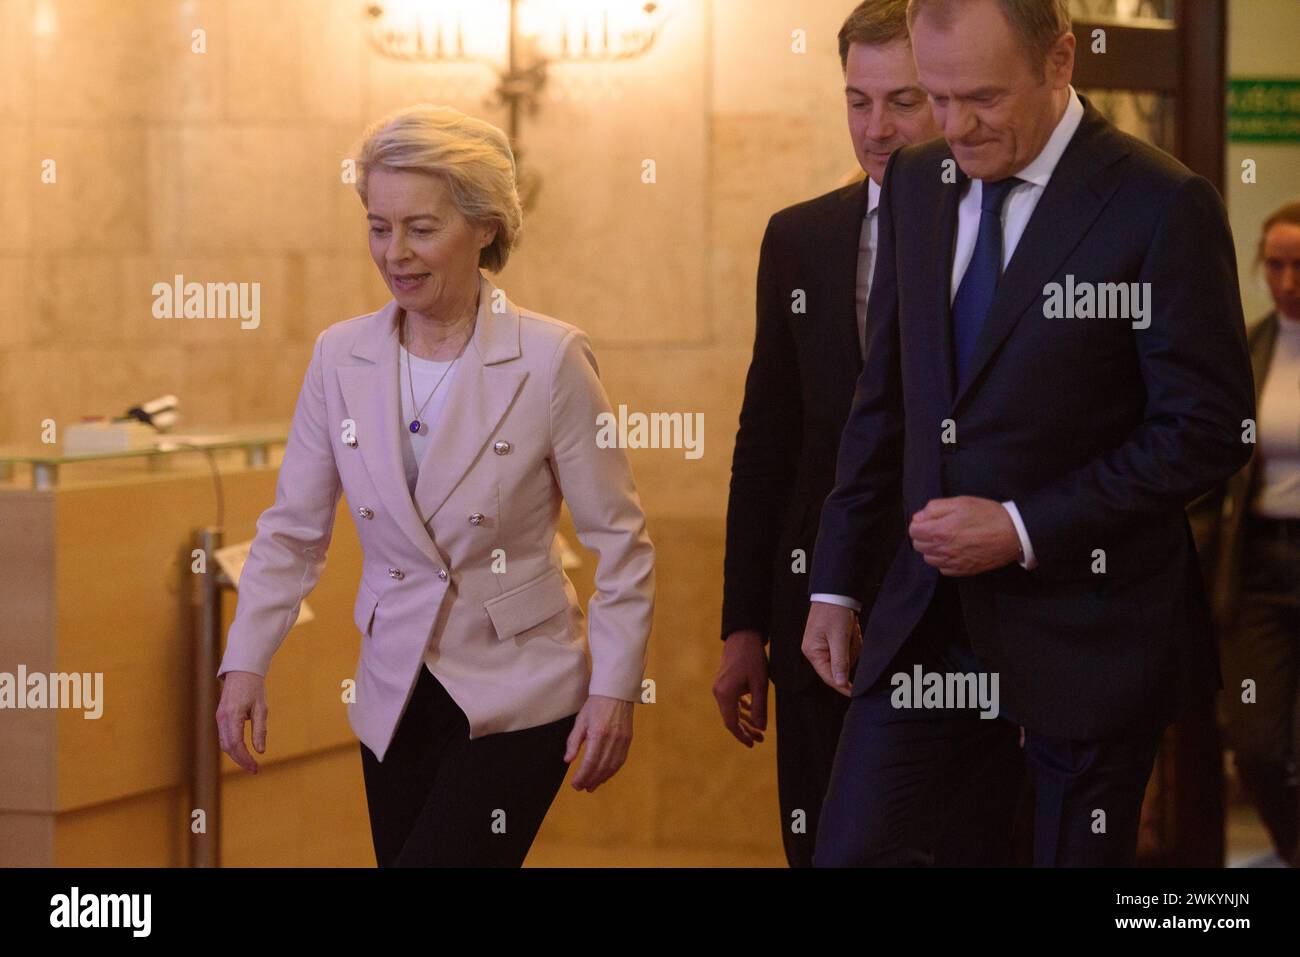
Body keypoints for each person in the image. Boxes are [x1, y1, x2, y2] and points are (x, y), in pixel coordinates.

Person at [802, 0, 1255, 867]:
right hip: (924, 622)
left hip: (1090, 634)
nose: (954, 126)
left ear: (1059, 61)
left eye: (982, 97)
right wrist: (835, 582)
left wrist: (1020, 526)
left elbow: (1207, 429)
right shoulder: (918, 184)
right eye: (935, 97)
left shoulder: (1162, 204)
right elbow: (885, 399)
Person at [214, 105, 656, 867]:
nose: (395, 254)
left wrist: (614, 688)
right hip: (393, 690)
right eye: (378, 227)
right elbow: (292, 529)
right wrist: (245, 659)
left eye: (420, 228)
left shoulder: (550, 359)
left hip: (522, 688)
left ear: (485, 225)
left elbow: (620, 542)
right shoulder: (338, 356)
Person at [715, 0, 938, 868]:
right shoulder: (801, 237)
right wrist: (742, 626)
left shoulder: (999, 236)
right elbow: (767, 438)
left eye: (904, 101)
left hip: (956, 608)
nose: (877, 129)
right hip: (818, 605)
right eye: (858, 101)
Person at [1192, 202, 1300, 865]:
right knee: (1256, 739)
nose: (1290, 279)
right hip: (1258, 564)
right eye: (1277, 264)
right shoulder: (1250, 349)